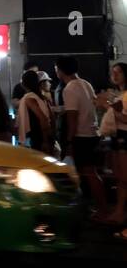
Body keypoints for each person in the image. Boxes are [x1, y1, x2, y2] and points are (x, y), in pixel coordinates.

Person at [55, 54, 106, 213]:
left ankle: (101, 208)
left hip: (81, 136)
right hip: (92, 133)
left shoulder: (69, 88)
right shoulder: (86, 84)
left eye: (56, 69)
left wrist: (69, 142)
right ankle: (95, 207)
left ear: (61, 70)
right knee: (89, 173)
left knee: (89, 173)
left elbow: (72, 117)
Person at [94, 63, 127, 227]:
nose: (114, 76)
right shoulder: (119, 94)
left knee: (123, 178)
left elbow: (125, 119)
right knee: (120, 179)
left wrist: (108, 106)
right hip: (116, 137)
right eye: (112, 73)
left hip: (124, 138)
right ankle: (119, 211)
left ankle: (120, 212)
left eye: (118, 72)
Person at [16, 69, 54, 155]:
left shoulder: (29, 98)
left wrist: (45, 141)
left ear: (24, 83)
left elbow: (43, 118)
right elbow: (52, 117)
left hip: (37, 138)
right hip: (46, 136)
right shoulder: (43, 98)